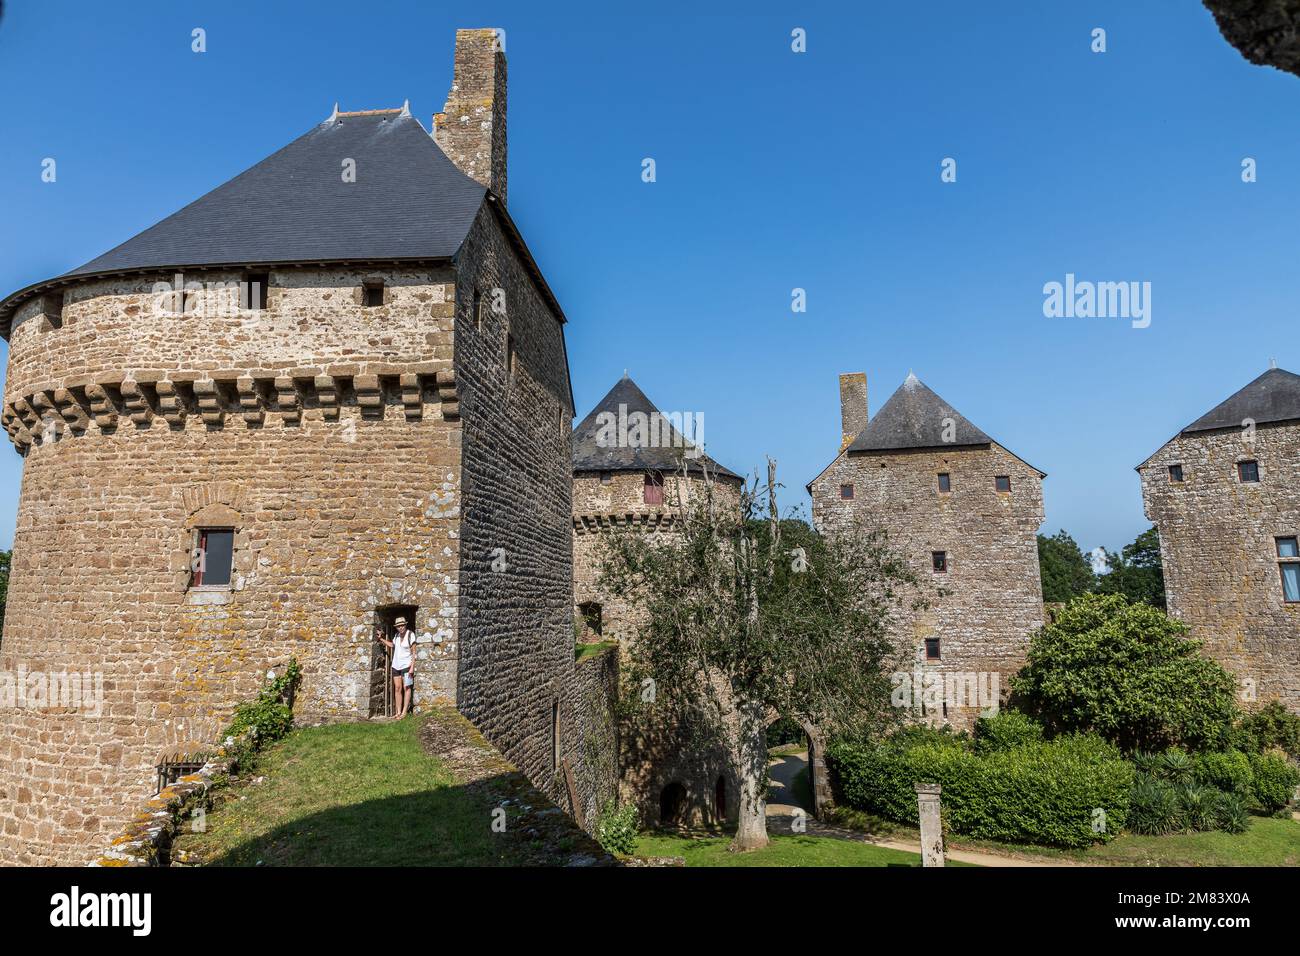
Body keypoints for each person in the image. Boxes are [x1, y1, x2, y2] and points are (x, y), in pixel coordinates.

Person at [379, 616, 415, 719]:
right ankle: (398, 712)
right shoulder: (396, 636)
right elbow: (392, 645)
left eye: (402, 625)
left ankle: (404, 712)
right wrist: (381, 639)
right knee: (398, 688)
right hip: (396, 666)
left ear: (405, 625)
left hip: (407, 666)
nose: (401, 628)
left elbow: (414, 652)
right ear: (396, 627)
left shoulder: (410, 635)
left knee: (406, 688)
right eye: (399, 626)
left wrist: (412, 667)